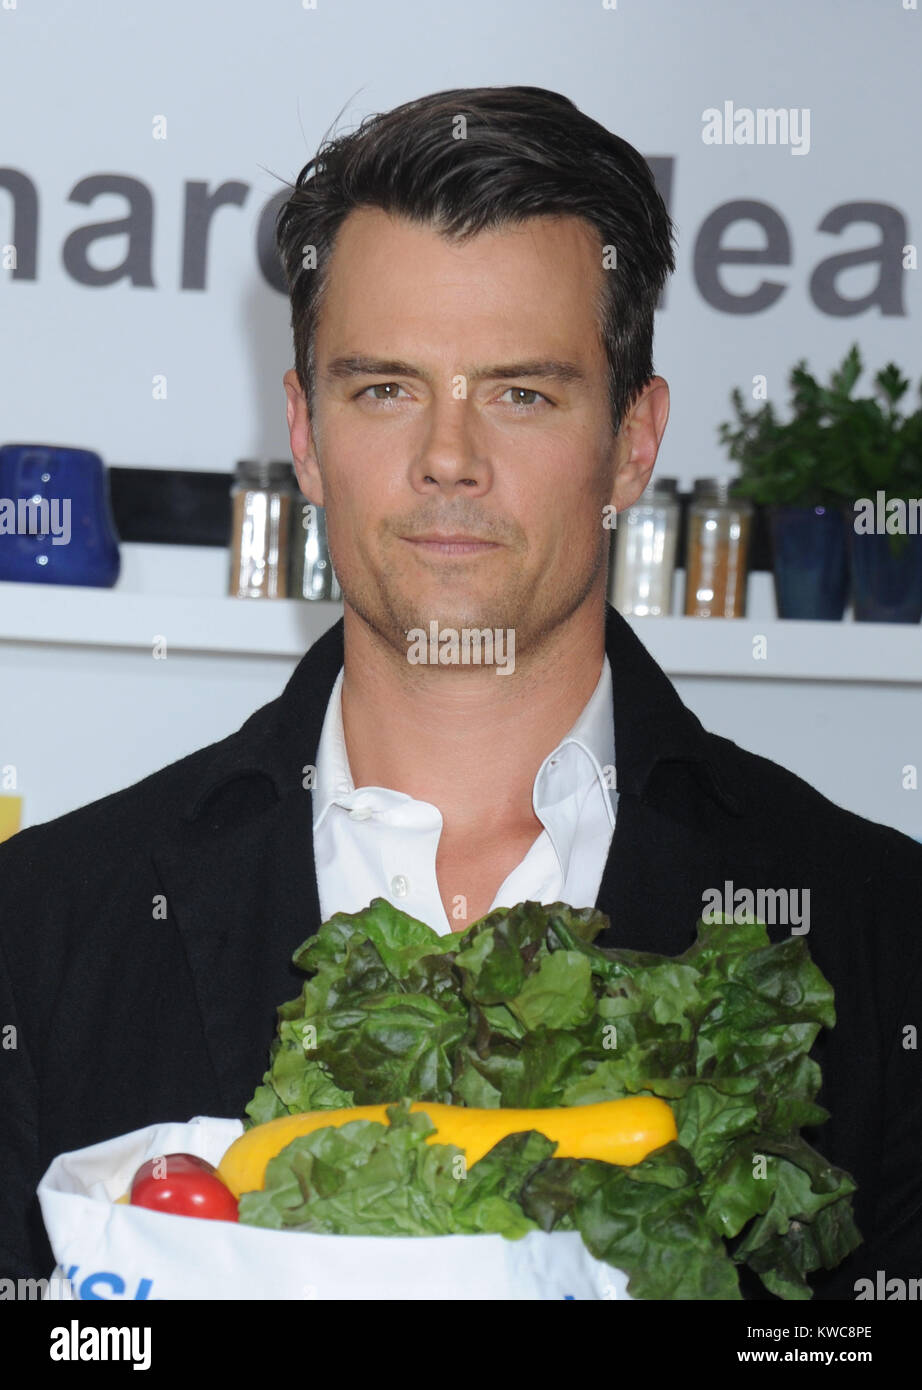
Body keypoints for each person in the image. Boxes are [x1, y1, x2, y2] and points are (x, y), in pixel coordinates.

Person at [1, 86, 919, 1300]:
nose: (448, 456)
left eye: (520, 393)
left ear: (633, 443)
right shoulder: (45, 926)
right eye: (385, 388)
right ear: (308, 436)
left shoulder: (879, 933)